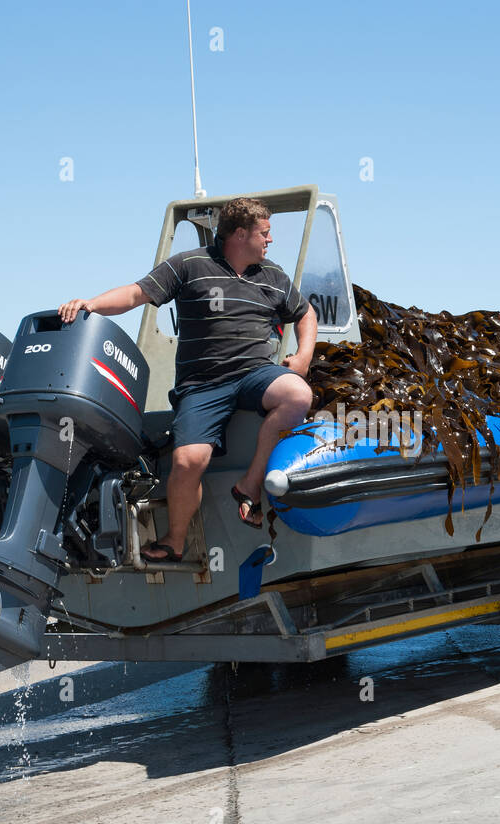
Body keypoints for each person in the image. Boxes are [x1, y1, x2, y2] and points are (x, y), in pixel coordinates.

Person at [59, 197, 316, 561]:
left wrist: (303, 356)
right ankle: (175, 541)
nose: (270, 240)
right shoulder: (189, 265)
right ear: (240, 234)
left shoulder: (273, 276)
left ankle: (249, 485)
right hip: (202, 385)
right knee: (186, 462)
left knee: (297, 394)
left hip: (255, 374)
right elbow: (136, 293)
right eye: (265, 233)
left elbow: (305, 313)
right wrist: (90, 304)